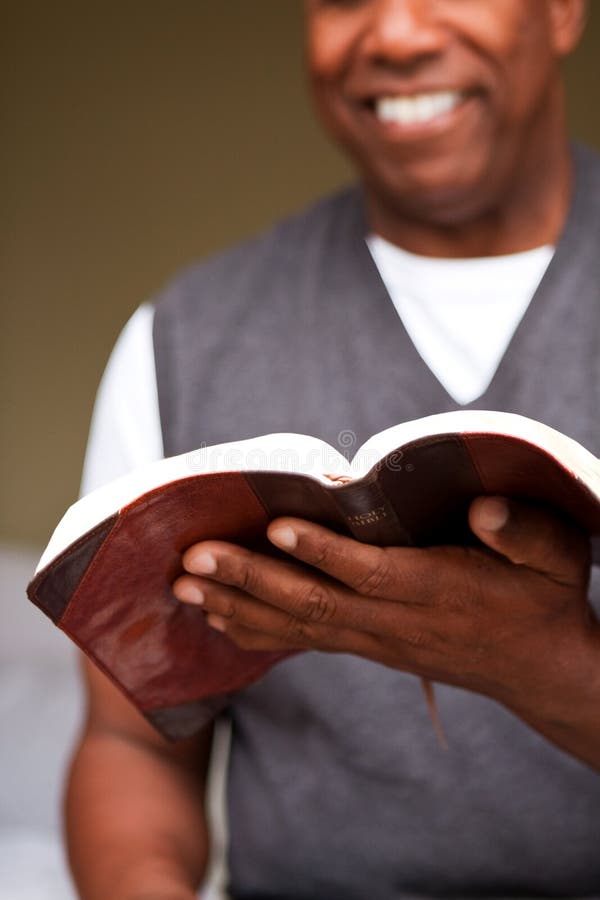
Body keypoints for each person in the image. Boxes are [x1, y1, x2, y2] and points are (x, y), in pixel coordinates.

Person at [66, 2, 600, 898]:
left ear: (560, 12)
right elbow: (131, 743)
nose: (395, 35)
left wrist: (546, 671)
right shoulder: (183, 344)